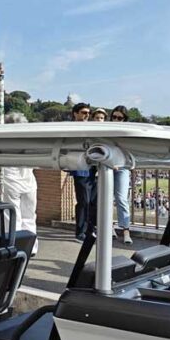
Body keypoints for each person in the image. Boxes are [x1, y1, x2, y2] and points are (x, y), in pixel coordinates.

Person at [2, 113, 39, 255]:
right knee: (29, 215)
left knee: (11, 216)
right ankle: (31, 247)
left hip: (10, 180)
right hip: (29, 182)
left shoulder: (5, 141)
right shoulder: (29, 141)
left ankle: (15, 246)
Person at [70, 103, 96, 242]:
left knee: (91, 201)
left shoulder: (91, 127)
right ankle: (80, 232)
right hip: (80, 170)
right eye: (83, 112)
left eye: (88, 113)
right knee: (83, 201)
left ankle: (88, 230)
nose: (86, 115)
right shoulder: (70, 128)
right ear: (75, 113)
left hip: (92, 169)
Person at [111, 105, 133, 244]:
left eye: (119, 118)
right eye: (114, 117)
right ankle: (109, 227)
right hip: (107, 167)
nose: (116, 120)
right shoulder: (106, 130)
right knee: (106, 199)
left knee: (121, 199)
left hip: (123, 167)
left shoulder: (127, 132)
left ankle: (126, 230)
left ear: (124, 119)